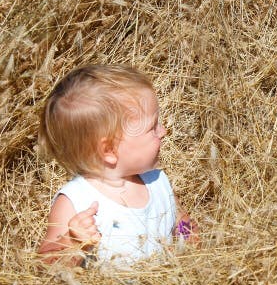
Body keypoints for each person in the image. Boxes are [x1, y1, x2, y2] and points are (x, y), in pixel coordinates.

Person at [37, 64, 194, 267]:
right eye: (153, 127)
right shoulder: (76, 201)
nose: (163, 131)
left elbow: (184, 226)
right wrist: (73, 242)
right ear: (109, 150)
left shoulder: (158, 182)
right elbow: (45, 267)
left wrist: (188, 247)